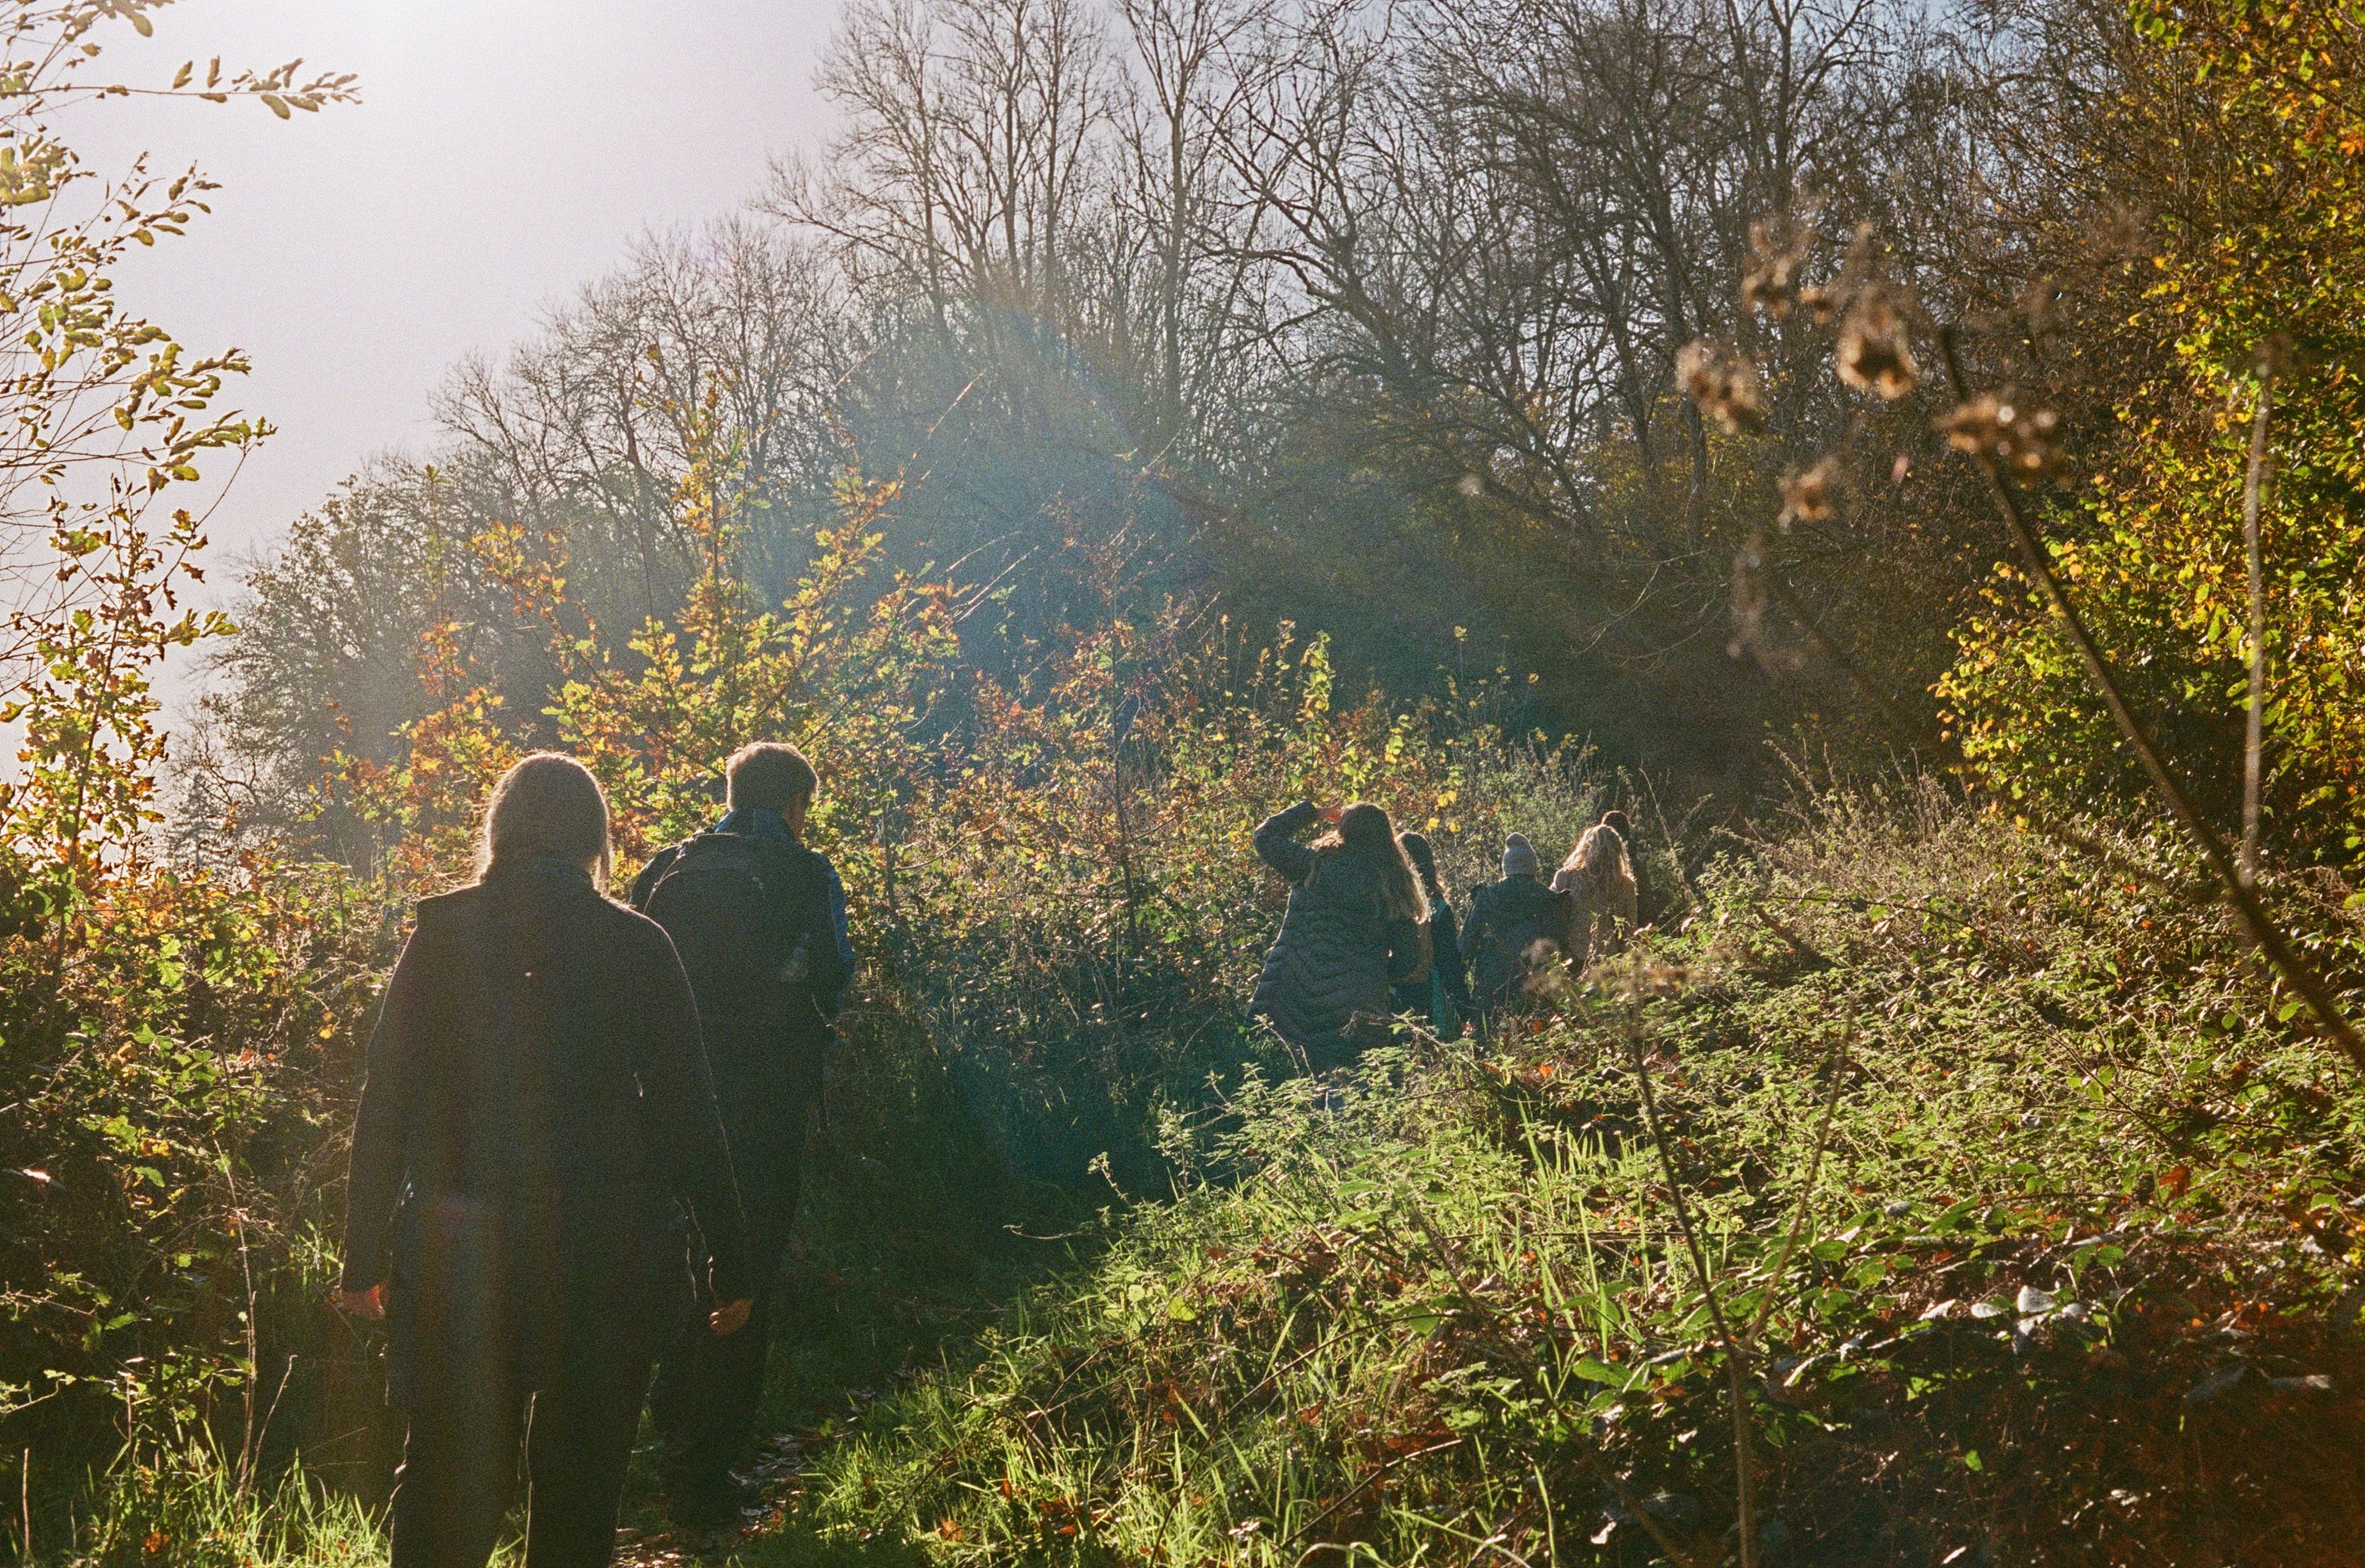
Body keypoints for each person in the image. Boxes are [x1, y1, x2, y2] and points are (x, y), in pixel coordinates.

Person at [334, 753, 753, 1568]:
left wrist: (362, 1253)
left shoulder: (439, 937)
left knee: (445, 1488)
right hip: (609, 1253)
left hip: (459, 1253)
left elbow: (384, 1102)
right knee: (578, 1497)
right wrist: (729, 1257)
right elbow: (688, 1114)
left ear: (498, 831)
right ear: (593, 840)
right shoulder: (636, 943)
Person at [631, 741, 854, 1529]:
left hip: (665, 1102)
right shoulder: (807, 872)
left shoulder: (666, 865)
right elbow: (837, 968)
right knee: (747, 1266)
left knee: (683, 1256)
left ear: (730, 791)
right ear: (795, 801)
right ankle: (707, 1469)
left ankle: (665, 1439)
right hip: (763, 1104)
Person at [1248, 800, 1429, 1070]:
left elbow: (1265, 836)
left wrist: (1314, 813)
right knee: (1348, 1089)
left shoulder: (1313, 865)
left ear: (1343, 829)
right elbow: (1409, 959)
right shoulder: (1392, 885)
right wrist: (1373, 974)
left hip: (1289, 998)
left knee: (1277, 1082)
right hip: (1354, 1009)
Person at [1463, 833, 1573, 1035]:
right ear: (1533, 866)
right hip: (1536, 983)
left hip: (1492, 983)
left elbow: (1467, 944)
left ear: (1506, 867)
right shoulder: (1550, 900)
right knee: (1535, 1039)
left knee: (1491, 1040)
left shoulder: (1487, 897)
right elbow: (1561, 945)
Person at [1393, 832, 1472, 1037]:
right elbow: (1450, 963)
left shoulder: (1388, 902)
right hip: (1430, 995)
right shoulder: (1437, 907)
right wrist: (1466, 1011)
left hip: (1393, 994)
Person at [1552, 814, 1640, 966]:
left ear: (1586, 847)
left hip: (1572, 958)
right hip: (1608, 960)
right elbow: (1630, 931)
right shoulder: (1625, 885)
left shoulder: (1566, 877)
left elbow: (1550, 915)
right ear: (1617, 851)